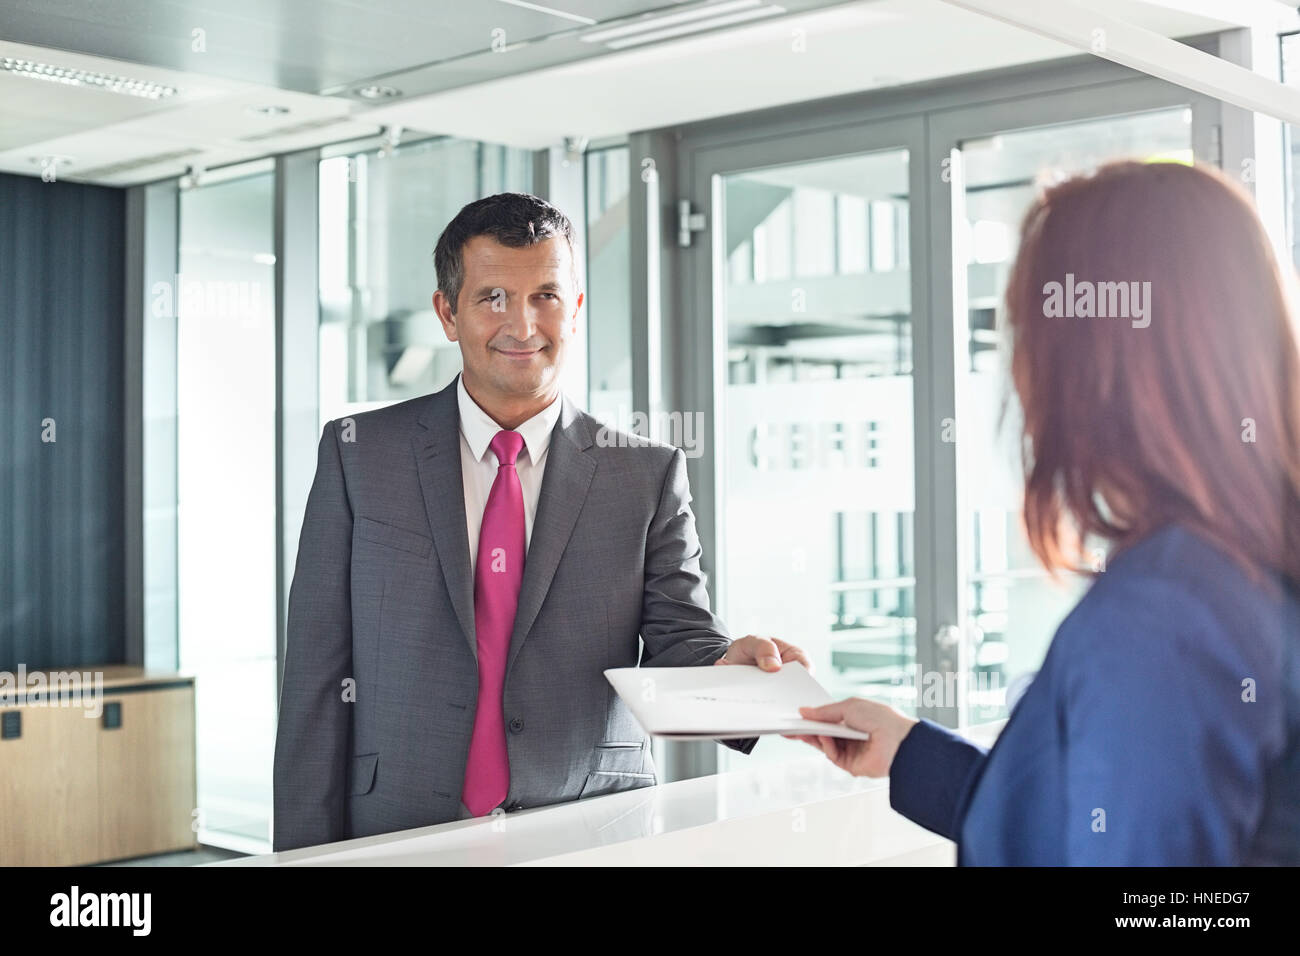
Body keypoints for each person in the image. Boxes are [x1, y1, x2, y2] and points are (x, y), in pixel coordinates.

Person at [795, 160, 1300, 865]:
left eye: (1026, 332)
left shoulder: (1160, 615)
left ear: (1095, 363)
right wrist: (911, 752)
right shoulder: (1250, 561)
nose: (1018, 373)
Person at [273, 192, 807, 852]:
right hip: (399, 827)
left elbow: (678, 638)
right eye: (493, 297)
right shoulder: (360, 453)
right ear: (448, 312)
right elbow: (318, 678)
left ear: (576, 310)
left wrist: (730, 666)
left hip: (588, 831)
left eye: (547, 296)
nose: (523, 325)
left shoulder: (644, 473)